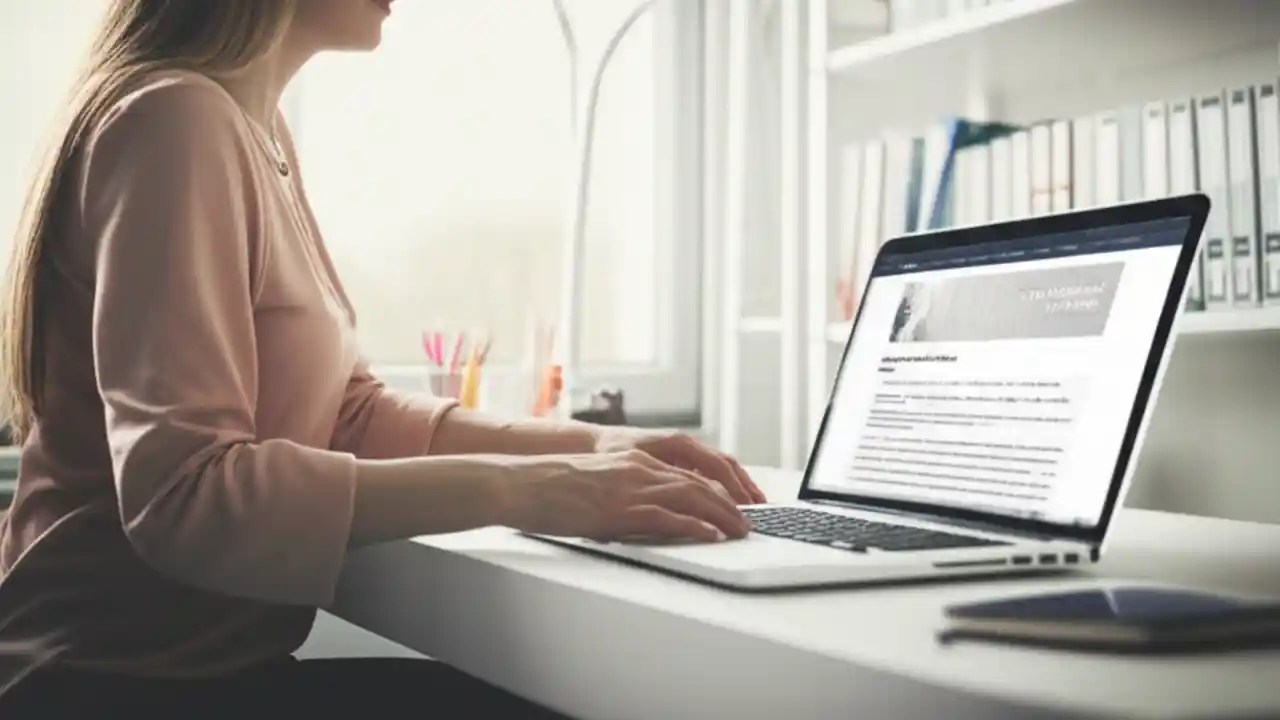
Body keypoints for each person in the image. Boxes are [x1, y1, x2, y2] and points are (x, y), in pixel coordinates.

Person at [0, 0, 764, 716]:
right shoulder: (174, 122)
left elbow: (349, 413)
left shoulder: (249, 130)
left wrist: (595, 444)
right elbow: (184, 496)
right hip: (103, 686)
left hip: (191, 675)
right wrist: (530, 490)